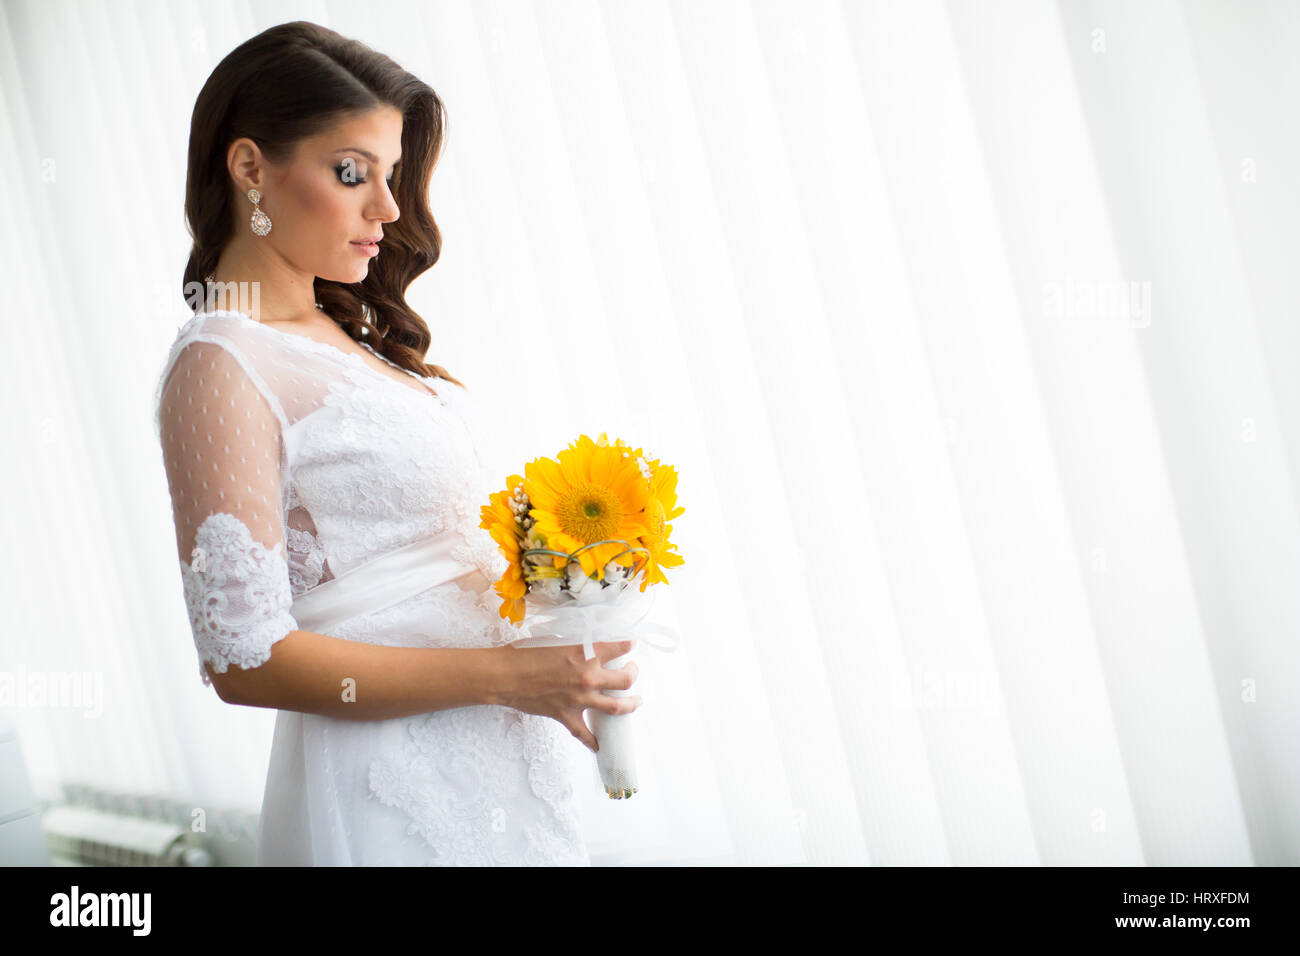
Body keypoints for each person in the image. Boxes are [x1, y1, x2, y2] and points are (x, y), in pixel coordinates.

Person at [153, 20, 640, 866]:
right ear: (250, 168)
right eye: (352, 174)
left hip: (491, 758)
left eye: (392, 176)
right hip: (389, 786)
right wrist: (511, 678)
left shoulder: (353, 337)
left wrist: (566, 580)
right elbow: (244, 659)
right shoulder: (220, 361)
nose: (387, 208)